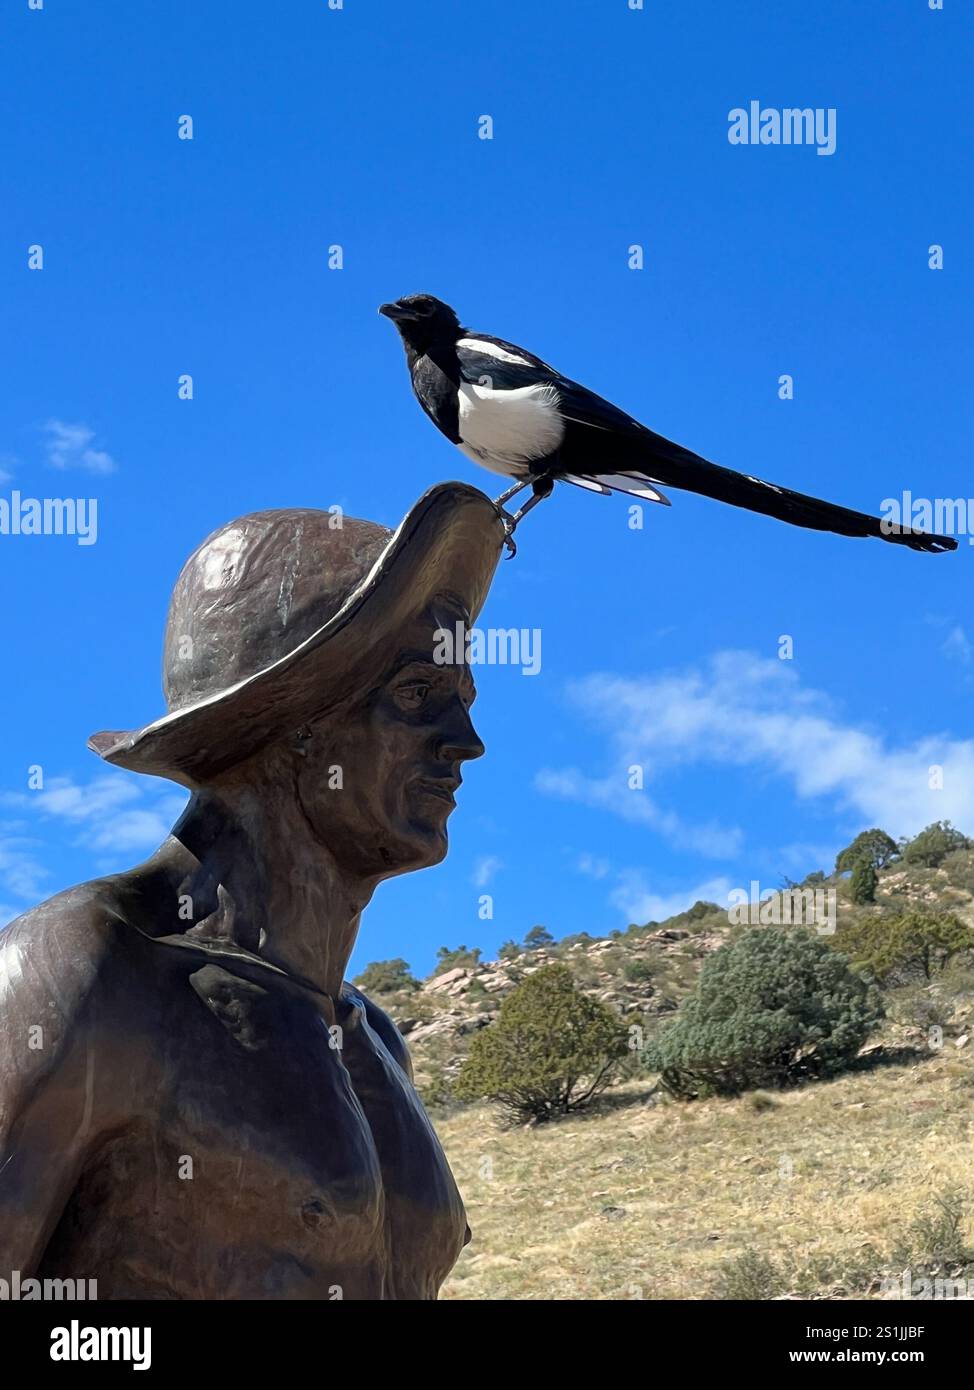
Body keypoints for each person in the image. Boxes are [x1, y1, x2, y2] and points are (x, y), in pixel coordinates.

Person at [0, 482, 505, 1300]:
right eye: (417, 696)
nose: (467, 743)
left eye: (463, 701)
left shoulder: (375, 1038)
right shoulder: (86, 974)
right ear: (290, 721)